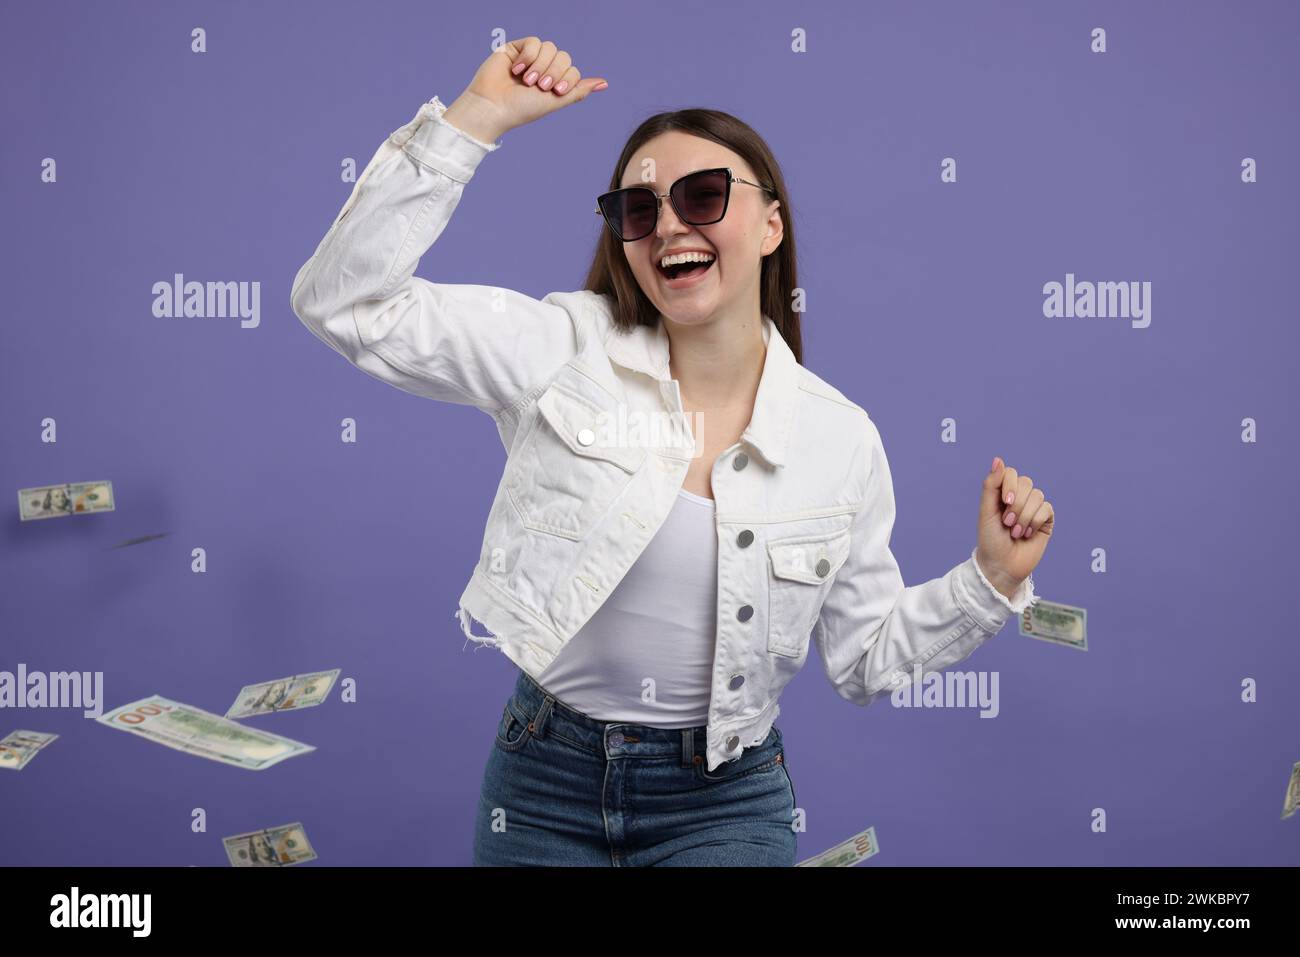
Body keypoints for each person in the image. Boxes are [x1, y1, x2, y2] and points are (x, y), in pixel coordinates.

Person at [290, 36, 1055, 866]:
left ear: (771, 225)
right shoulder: (562, 350)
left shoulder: (839, 439)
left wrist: (992, 581)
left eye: (703, 196)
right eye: (638, 209)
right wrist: (476, 120)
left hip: (723, 799)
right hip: (542, 781)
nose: (668, 226)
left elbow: (865, 660)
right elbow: (345, 303)